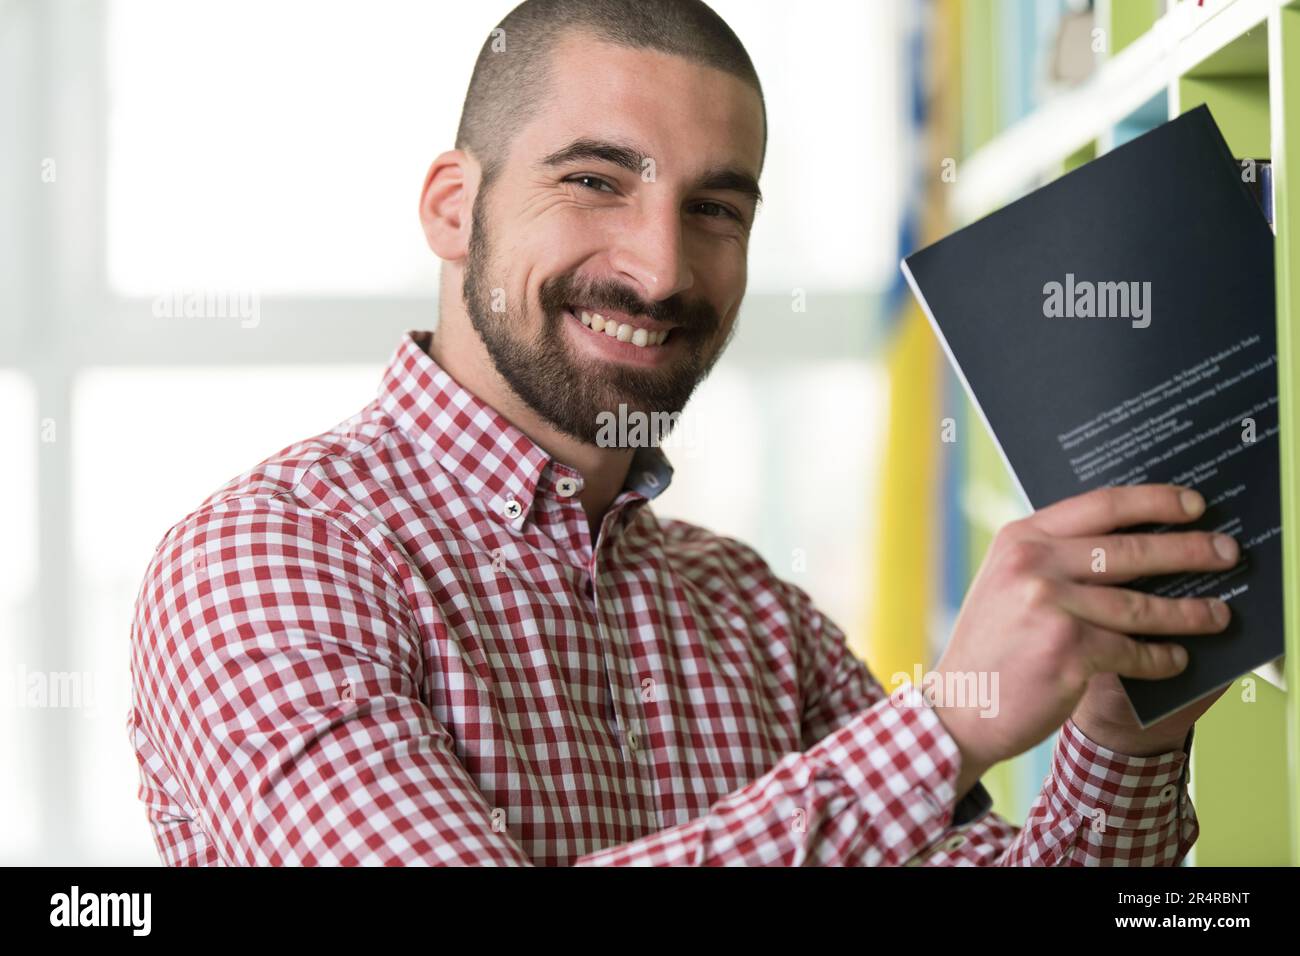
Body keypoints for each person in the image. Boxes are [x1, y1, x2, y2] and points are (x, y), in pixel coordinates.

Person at [126, 0, 1235, 866]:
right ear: (453, 206)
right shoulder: (261, 562)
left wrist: (1122, 732)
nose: (659, 268)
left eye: (715, 209)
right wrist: (939, 724)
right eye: (595, 180)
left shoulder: (752, 608)